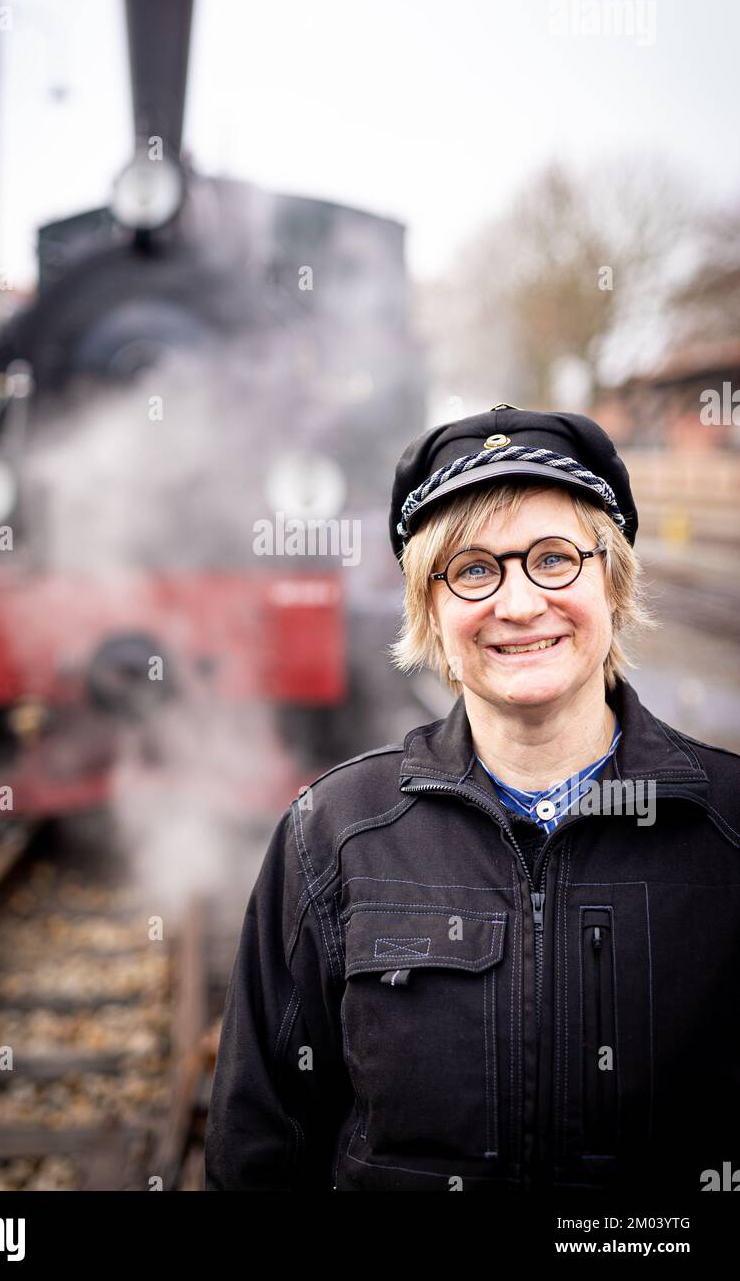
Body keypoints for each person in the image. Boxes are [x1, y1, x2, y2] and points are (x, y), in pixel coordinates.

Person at [204, 405, 740, 1192]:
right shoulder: (334, 833)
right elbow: (259, 1149)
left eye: (554, 559)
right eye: (474, 569)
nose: (520, 605)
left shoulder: (728, 828)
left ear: (613, 582)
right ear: (431, 608)